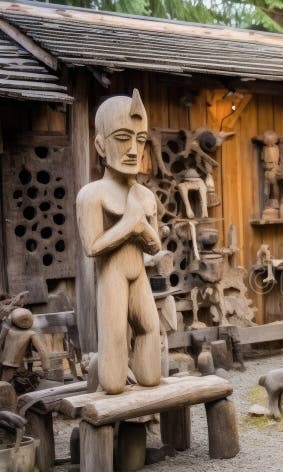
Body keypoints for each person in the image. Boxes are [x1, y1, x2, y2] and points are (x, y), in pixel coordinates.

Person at [76, 89, 161, 394]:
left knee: (151, 333)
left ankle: (143, 381)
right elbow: (92, 247)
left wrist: (142, 226)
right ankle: (109, 375)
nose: (134, 150)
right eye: (123, 138)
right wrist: (128, 225)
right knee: (112, 366)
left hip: (139, 275)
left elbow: (155, 246)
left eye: (141, 140)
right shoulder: (92, 195)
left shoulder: (144, 194)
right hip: (111, 276)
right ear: (101, 145)